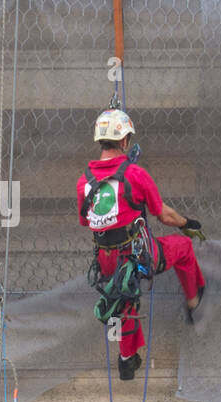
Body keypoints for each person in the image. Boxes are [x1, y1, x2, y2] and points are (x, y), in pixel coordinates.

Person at [77, 108, 204, 381]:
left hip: (105, 259)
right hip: (136, 254)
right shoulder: (135, 174)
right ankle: (194, 302)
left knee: (125, 300)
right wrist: (186, 223)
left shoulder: (83, 182)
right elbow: (163, 214)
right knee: (183, 249)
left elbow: (87, 222)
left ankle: (127, 360)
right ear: (124, 142)